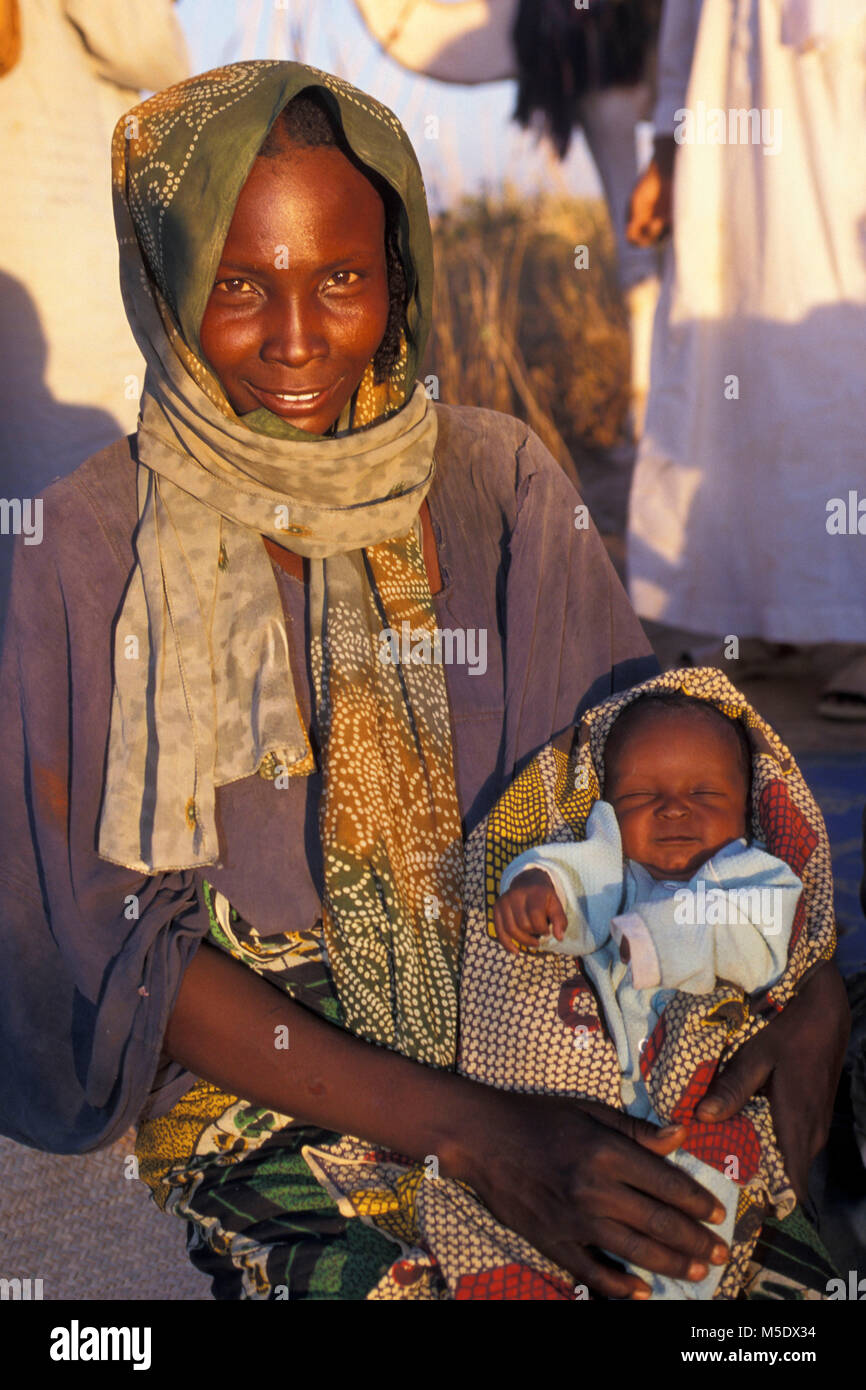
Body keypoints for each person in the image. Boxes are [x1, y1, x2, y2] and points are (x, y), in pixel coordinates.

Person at [0, 61, 848, 1302]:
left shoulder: (496, 480)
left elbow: (654, 758)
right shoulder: (83, 543)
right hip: (274, 1074)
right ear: (167, 287)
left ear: (396, 278)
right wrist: (483, 1135)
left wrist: (807, 983)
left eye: (339, 277)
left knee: (736, 1277)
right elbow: (128, 952)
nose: (296, 338)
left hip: (544, 988)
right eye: (238, 285)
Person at [493, 688, 802, 1299]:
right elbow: (575, 878)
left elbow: (757, 945)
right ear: (608, 806)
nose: (673, 811)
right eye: (641, 796)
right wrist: (538, 888)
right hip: (606, 1104)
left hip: (706, 1110)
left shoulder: (755, 876)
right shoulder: (615, 870)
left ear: (746, 811)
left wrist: (654, 938)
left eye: (704, 795)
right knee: (571, 1215)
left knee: (695, 1208)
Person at [624, 0, 866, 716]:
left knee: (838, 357)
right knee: (735, 360)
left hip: (843, 136)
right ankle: (764, 615)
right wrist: (666, 155)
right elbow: (683, 29)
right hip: (725, 148)